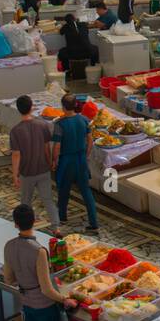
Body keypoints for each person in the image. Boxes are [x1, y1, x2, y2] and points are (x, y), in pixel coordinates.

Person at [2, 204, 74, 321]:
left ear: (15, 224)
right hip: (45, 307)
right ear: (35, 221)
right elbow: (46, 289)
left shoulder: (9, 246)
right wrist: (65, 299)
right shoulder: (38, 251)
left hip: (27, 303)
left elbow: (8, 279)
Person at [10, 95, 61, 231]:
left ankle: (26, 227)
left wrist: (15, 174)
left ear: (18, 109)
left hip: (27, 172)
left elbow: (16, 155)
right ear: (32, 107)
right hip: (43, 169)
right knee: (48, 200)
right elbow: (46, 147)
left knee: (26, 203)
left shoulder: (15, 131)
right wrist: (50, 162)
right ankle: (56, 227)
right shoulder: (42, 125)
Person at [53, 94, 99, 230]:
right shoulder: (84, 120)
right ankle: (94, 222)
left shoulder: (59, 124)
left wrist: (54, 161)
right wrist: (86, 154)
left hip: (66, 161)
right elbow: (90, 140)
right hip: (81, 159)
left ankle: (62, 217)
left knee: (63, 190)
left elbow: (57, 146)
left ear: (63, 107)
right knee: (86, 191)